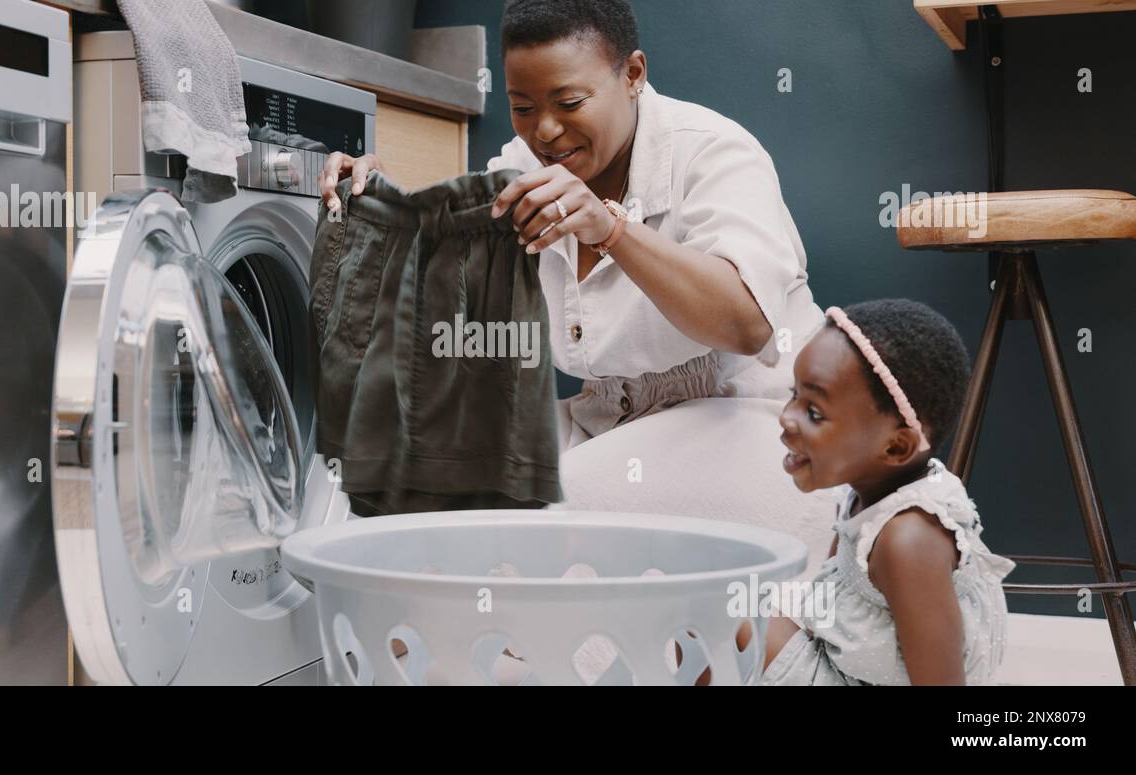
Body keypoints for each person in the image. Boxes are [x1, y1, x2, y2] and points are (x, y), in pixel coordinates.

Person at [319, 0, 836, 568]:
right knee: (415, 502)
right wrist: (384, 199)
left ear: (633, 74)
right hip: (608, 425)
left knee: (546, 521)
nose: (545, 130)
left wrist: (612, 228)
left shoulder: (714, 153)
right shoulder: (528, 161)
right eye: (522, 106)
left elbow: (746, 322)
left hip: (758, 430)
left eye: (569, 103)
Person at [760, 299, 1016, 685]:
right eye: (795, 394)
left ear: (896, 448)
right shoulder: (869, 492)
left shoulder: (908, 540)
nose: (786, 416)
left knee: (713, 622)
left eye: (814, 412)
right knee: (715, 610)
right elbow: (831, 589)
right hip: (844, 666)